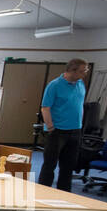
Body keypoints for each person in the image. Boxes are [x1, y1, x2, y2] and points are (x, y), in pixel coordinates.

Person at [38, 58, 89, 191]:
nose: (85, 74)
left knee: (68, 166)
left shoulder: (80, 84)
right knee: (50, 164)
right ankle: (43, 192)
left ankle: (64, 194)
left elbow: (79, 105)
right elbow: (45, 107)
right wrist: (50, 127)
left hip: (75, 130)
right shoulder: (54, 85)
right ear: (72, 70)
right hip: (57, 131)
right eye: (82, 71)